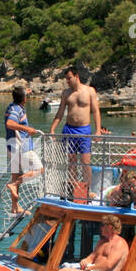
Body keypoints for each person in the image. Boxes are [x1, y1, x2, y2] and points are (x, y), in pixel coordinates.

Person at [13, 214, 130, 271]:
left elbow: (108, 265)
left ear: (109, 227)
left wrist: (90, 267)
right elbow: (92, 257)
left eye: (102, 225)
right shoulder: (102, 242)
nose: (100, 227)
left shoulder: (119, 243)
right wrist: (85, 261)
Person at [50, 66, 101, 198]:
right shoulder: (66, 93)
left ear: (76, 76)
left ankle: (87, 190)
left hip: (84, 130)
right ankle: (73, 189)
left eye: (69, 78)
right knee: (71, 163)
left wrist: (98, 130)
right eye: (66, 79)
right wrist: (52, 129)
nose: (67, 81)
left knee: (85, 162)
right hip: (69, 129)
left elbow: (95, 111)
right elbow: (60, 112)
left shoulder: (89, 91)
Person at [4, 86, 42, 214]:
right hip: (22, 146)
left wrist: (26, 91)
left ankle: (15, 207)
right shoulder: (17, 110)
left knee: (16, 174)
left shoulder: (11, 106)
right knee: (39, 169)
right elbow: (9, 123)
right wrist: (28, 129)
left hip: (12, 147)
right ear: (24, 99)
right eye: (26, 95)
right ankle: (14, 184)